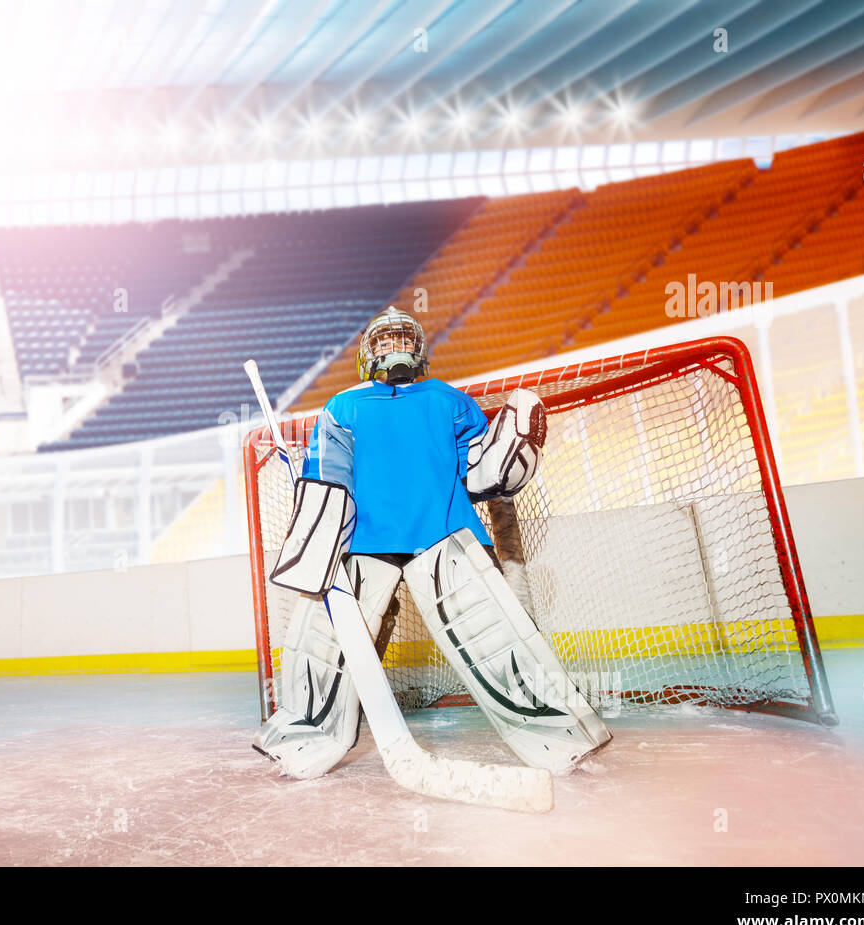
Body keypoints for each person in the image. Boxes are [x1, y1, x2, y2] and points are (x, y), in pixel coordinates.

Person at [254, 306, 610, 779]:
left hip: (445, 531)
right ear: (368, 353)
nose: (394, 348)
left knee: (496, 637)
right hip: (364, 540)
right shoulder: (343, 405)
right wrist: (310, 488)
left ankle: (559, 735)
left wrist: (510, 450)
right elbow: (330, 473)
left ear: (419, 348)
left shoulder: (450, 400)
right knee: (329, 642)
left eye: (403, 339)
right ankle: (304, 738)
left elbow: (481, 470)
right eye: (384, 341)